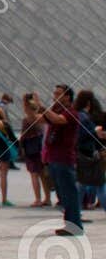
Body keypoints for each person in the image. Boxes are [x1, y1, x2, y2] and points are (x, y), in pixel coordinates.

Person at [38, 84, 84, 236]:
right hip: (54, 158)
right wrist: (32, 108)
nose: (54, 96)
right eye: (54, 93)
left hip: (64, 159)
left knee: (69, 193)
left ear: (67, 97)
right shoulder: (58, 111)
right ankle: (70, 224)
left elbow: (57, 120)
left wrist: (42, 107)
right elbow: (39, 120)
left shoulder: (71, 113)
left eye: (58, 93)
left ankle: (75, 225)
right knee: (63, 195)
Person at [19, 93, 52, 206]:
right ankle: (47, 198)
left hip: (31, 149)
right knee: (43, 175)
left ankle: (38, 199)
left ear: (27, 108)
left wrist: (21, 146)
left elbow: (23, 136)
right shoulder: (41, 118)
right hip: (41, 149)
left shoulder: (27, 120)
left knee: (34, 174)